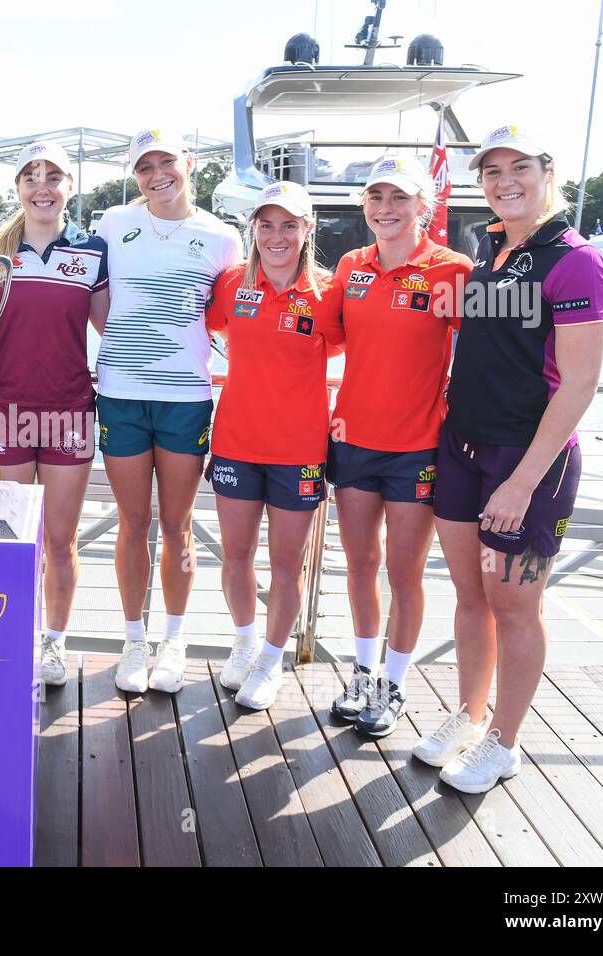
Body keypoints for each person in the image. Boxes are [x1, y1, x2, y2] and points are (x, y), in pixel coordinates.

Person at [418, 125, 603, 793]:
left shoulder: (574, 258)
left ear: (546, 171)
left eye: (519, 167)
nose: (505, 181)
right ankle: (468, 718)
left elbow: (580, 383)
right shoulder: (489, 251)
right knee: (471, 597)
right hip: (463, 448)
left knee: (516, 606)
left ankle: (504, 743)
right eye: (492, 170)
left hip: (526, 464)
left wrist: (523, 483)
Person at [327, 156, 473, 737]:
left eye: (398, 198)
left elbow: (492, 352)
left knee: (404, 571)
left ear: (423, 206)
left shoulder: (451, 269)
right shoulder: (350, 264)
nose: (385, 209)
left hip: (418, 448)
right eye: (375, 198)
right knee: (360, 565)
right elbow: (325, 337)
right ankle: (363, 672)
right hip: (354, 440)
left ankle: (393, 683)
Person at [96, 129, 243, 694]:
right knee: (133, 524)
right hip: (122, 394)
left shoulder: (222, 236)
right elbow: (97, 299)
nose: (157, 175)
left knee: (179, 525)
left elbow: (232, 315)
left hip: (185, 397)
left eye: (167, 162)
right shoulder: (114, 223)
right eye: (144, 167)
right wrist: (129, 349)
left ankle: (174, 640)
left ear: (190, 164)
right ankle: (134, 640)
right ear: (134, 176)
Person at [204, 181, 344, 710]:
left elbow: (372, 347)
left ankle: (271, 659)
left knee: (288, 566)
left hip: (300, 450)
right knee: (236, 556)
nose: (277, 235)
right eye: (266, 225)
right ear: (253, 230)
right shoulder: (230, 284)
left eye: (290, 224)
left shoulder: (330, 293)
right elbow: (196, 329)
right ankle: (243, 646)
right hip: (236, 439)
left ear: (308, 229)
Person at [0, 141, 109, 686]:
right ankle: (9, 639)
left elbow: (114, 333)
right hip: (5, 411)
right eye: (30, 176)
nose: (42, 186)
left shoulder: (94, 250)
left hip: (70, 412)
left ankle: (53, 643)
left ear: (69, 188)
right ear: (17, 189)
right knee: (12, 539)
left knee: (60, 539)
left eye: (53, 176)